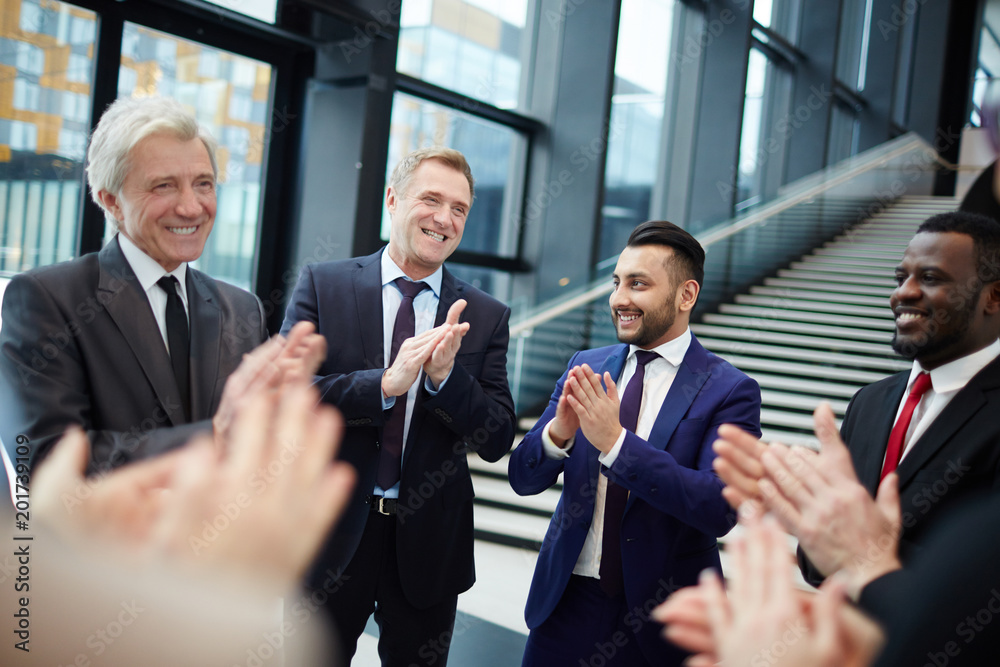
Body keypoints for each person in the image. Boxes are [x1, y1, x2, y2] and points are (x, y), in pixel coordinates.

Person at [0, 96, 324, 475]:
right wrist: (214, 438)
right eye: (164, 186)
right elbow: (45, 460)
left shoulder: (241, 309)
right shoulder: (48, 299)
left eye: (203, 184)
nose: (190, 207)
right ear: (111, 200)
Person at [280, 146, 516, 666]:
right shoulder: (325, 284)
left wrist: (446, 379)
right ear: (392, 199)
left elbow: (497, 438)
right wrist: (384, 385)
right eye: (431, 199)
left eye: (459, 208)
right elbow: (287, 396)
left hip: (429, 546)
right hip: (328, 535)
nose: (444, 218)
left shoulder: (485, 314)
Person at [508, 220, 762, 667]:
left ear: (686, 295)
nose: (619, 299)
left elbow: (719, 507)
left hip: (665, 620)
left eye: (638, 284)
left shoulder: (730, 390)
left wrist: (617, 444)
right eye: (617, 283)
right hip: (564, 607)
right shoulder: (585, 365)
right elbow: (523, 478)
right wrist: (558, 434)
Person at [712, 210, 1000, 587]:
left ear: (993, 296)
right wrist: (808, 518)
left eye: (929, 278)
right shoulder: (870, 401)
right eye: (901, 278)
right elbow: (818, 568)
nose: (903, 293)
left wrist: (862, 551)